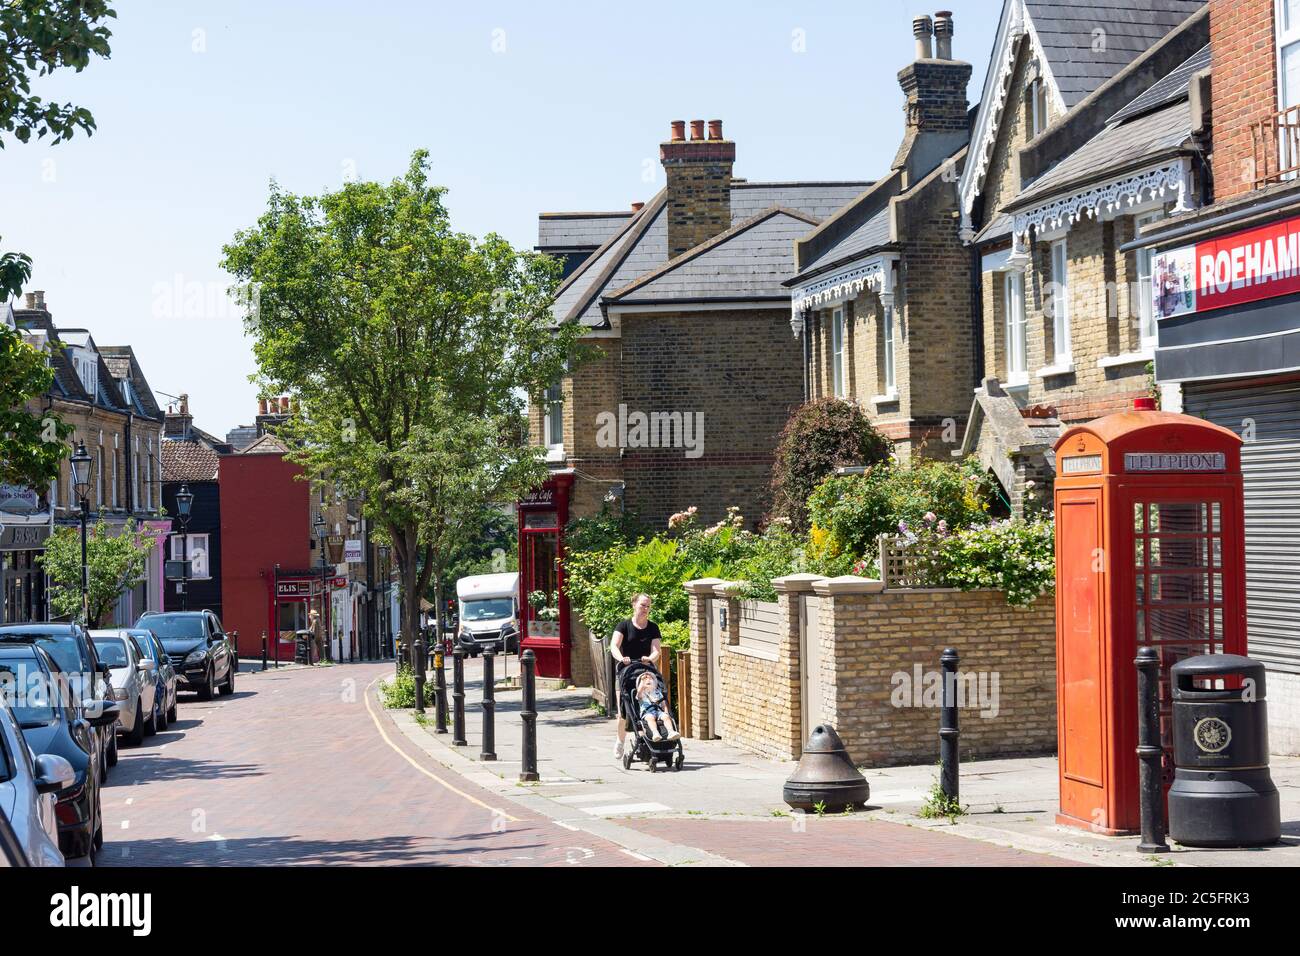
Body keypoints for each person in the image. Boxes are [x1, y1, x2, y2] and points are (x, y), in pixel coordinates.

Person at [610, 593, 662, 761]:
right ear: (634, 605)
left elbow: (656, 650)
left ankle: (647, 741)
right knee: (623, 712)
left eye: (648, 606)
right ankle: (620, 740)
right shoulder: (624, 626)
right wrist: (621, 658)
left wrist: (650, 658)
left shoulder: (653, 627)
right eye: (642, 605)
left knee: (647, 707)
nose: (645, 609)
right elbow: (614, 646)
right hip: (626, 672)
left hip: (645, 673)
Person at [635, 671, 679, 742]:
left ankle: (671, 732)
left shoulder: (657, 692)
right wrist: (642, 686)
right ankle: (655, 733)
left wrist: (666, 712)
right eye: (645, 680)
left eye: (650, 679)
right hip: (647, 713)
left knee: (666, 717)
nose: (648, 680)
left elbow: (663, 704)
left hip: (658, 711)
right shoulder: (642, 693)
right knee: (650, 718)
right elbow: (638, 695)